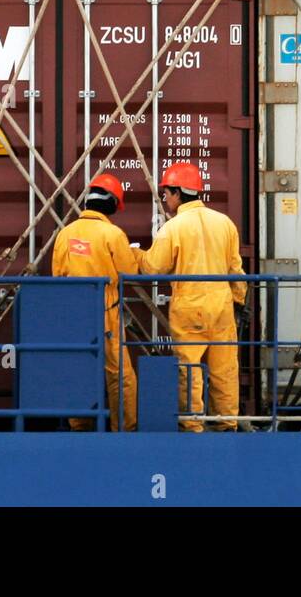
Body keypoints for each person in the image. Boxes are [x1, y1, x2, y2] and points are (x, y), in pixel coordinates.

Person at [139, 162, 246, 432]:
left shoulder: (174, 228)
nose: (165, 198)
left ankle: (193, 426)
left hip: (190, 309)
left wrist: (134, 254)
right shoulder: (224, 223)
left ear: (177, 192)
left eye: (166, 193)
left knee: (189, 370)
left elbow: (153, 267)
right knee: (225, 369)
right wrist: (239, 301)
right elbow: (236, 269)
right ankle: (227, 424)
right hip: (222, 307)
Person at [51, 171, 140, 431]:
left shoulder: (65, 234)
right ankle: (124, 427)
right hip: (106, 313)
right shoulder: (112, 234)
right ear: (111, 202)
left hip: (74, 312)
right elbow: (130, 272)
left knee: (78, 367)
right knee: (120, 374)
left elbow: (57, 274)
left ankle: (79, 424)